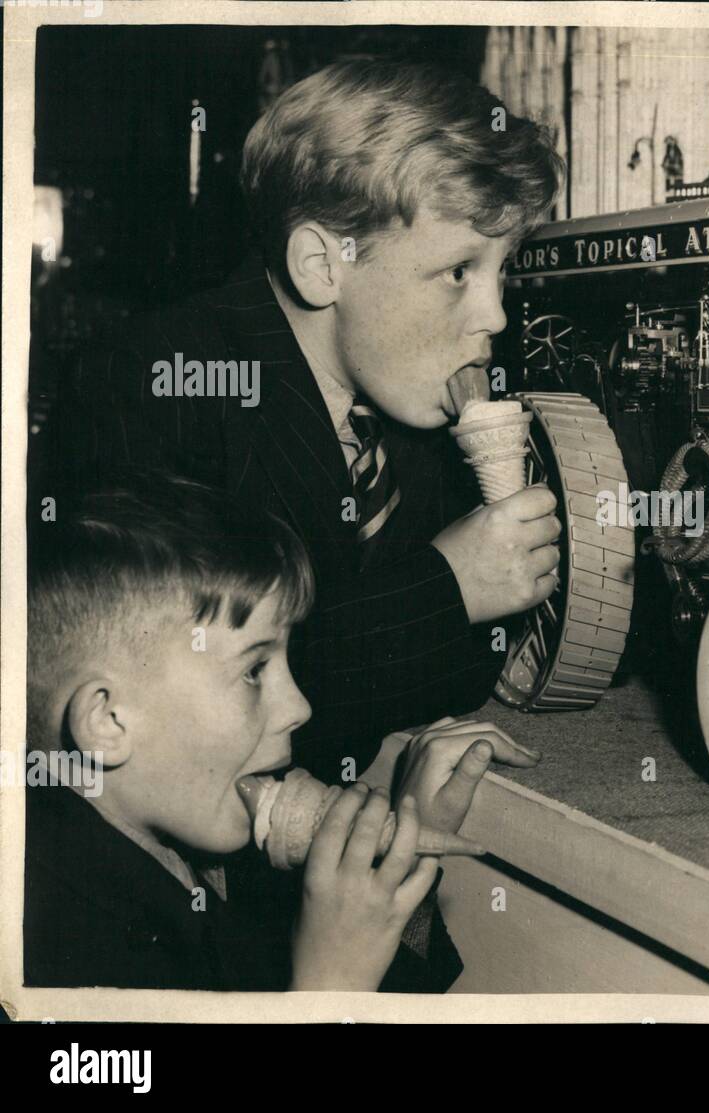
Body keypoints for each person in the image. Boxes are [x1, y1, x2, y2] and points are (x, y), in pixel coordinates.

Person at [47, 59, 565, 785]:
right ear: (322, 264)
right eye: (458, 272)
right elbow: (187, 696)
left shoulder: (406, 408)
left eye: (504, 269)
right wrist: (448, 587)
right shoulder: (149, 382)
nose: (496, 315)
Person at [24, 473, 538, 991]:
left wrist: (401, 859)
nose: (300, 707)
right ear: (108, 722)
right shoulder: (62, 950)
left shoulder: (214, 854)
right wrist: (328, 984)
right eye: (253, 670)